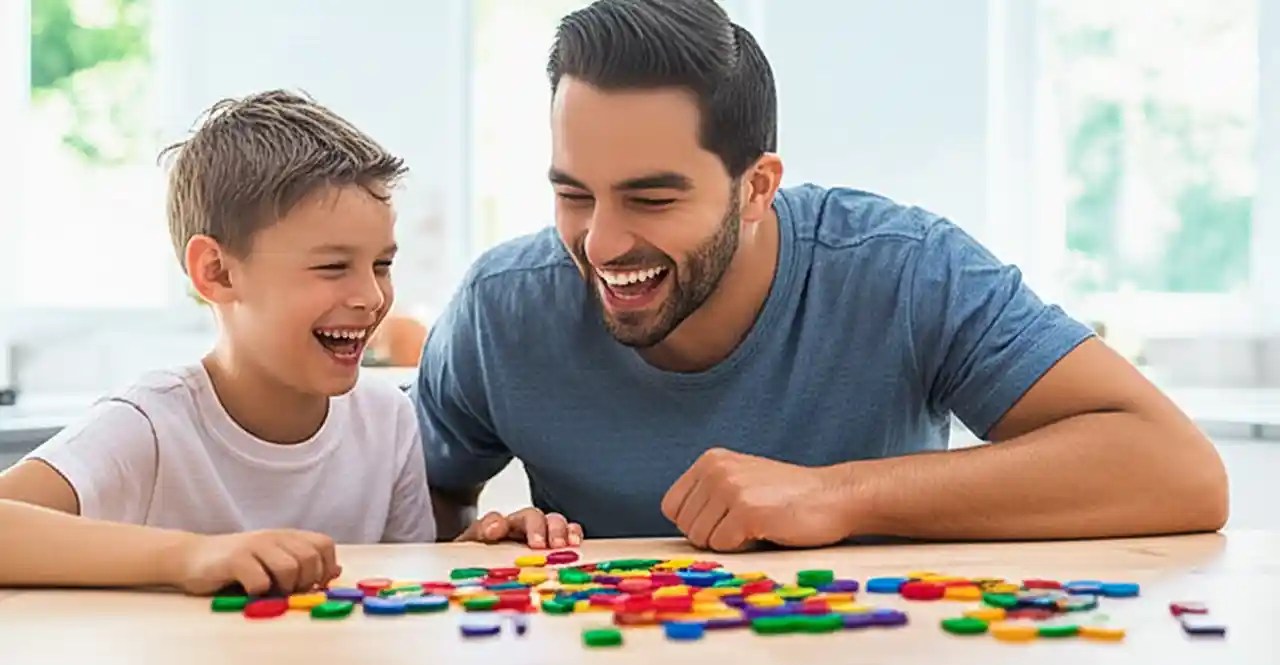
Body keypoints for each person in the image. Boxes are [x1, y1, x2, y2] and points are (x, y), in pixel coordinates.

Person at [416, 0, 1228, 551]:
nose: (600, 241)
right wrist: (482, 539)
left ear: (757, 188)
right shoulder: (500, 309)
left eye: (652, 197)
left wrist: (839, 494)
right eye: (572, 194)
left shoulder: (903, 270)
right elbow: (417, 506)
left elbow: (1178, 472)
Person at [0, 90, 571, 598]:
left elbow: (403, 586)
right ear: (218, 272)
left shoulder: (387, 420)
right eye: (332, 266)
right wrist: (190, 556)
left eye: (381, 264)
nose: (371, 296)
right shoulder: (151, 425)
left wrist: (473, 554)